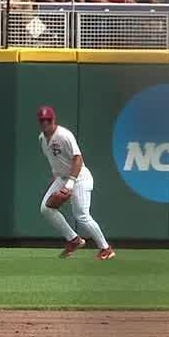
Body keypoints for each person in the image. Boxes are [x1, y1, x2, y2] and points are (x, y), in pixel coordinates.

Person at [35, 106, 114, 261]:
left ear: (54, 120)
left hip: (79, 177)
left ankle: (106, 248)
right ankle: (74, 239)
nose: (45, 123)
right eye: (42, 121)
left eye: (48, 120)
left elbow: (78, 158)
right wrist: (56, 180)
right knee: (46, 208)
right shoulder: (42, 139)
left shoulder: (64, 135)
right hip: (62, 177)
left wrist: (70, 184)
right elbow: (55, 162)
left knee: (81, 215)